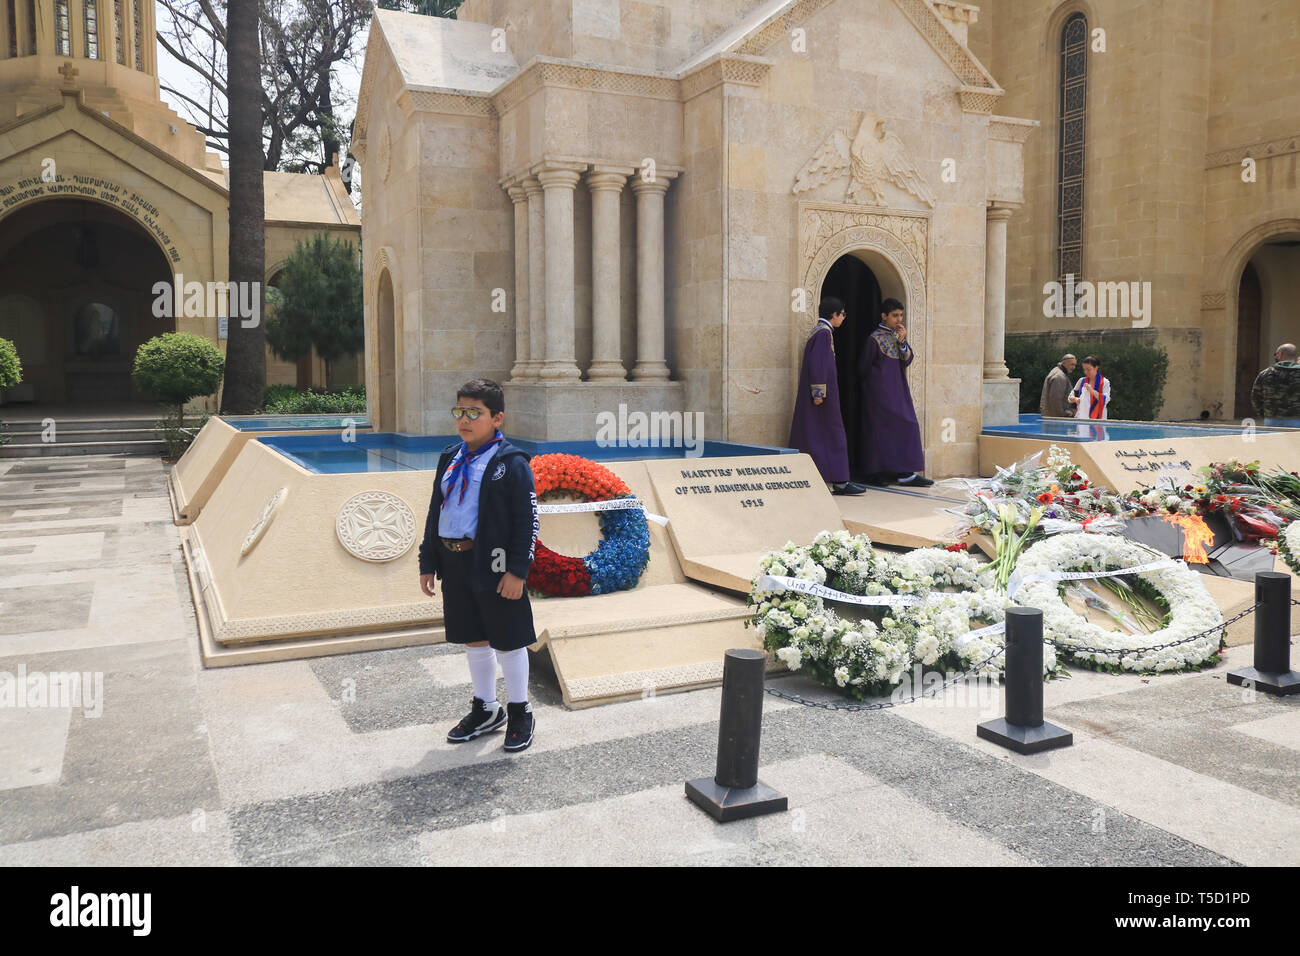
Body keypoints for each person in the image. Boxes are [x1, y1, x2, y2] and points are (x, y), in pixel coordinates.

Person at [418, 378, 540, 752]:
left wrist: (518, 570)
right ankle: (487, 708)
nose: (465, 420)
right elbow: (436, 511)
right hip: (454, 560)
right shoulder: (450, 457)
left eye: (475, 413)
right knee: (473, 636)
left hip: (494, 562)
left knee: (509, 638)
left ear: (497, 418)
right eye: (460, 412)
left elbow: (527, 519)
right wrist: (427, 559)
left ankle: (520, 710)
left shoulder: (511, 463)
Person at [789, 297, 866, 495]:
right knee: (833, 435)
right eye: (843, 314)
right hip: (823, 400)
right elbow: (818, 365)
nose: (843, 318)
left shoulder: (821, 333)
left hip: (821, 398)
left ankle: (826, 478)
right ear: (835, 315)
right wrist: (819, 393)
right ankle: (840, 481)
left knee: (816, 435)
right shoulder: (823, 334)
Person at [858, 297, 932, 487]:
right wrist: (873, 391)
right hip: (879, 395)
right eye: (895, 316)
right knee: (877, 432)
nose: (899, 319)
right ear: (884, 316)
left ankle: (906, 473)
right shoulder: (874, 339)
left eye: (901, 315)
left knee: (908, 425)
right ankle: (873, 473)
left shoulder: (896, 337)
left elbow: (907, 360)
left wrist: (901, 341)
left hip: (898, 392)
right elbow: (862, 368)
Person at [1250, 343, 1300, 427]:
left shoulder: (1265, 374)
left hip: (1272, 420)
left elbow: (1255, 398)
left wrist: (1266, 414)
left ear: (1279, 355)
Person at [1068, 355, 1110, 419]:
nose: (1086, 372)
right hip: (1082, 417)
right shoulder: (1081, 380)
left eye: (1088, 369)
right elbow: (1070, 397)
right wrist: (1076, 399)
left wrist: (1092, 391)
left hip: (1098, 420)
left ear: (1096, 368)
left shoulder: (1105, 382)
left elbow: (1106, 400)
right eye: (1084, 369)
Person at [1039, 353, 1077, 418]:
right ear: (1064, 363)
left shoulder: (1057, 372)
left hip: (1052, 417)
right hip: (1056, 419)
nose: (1074, 367)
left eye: (1075, 365)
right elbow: (1056, 400)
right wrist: (1066, 414)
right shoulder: (1059, 377)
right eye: (1072, 365)